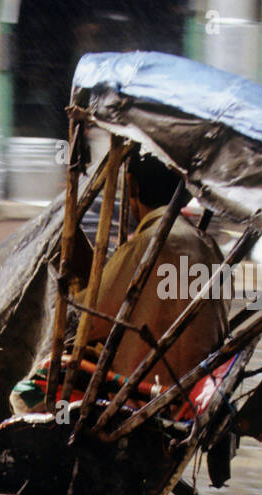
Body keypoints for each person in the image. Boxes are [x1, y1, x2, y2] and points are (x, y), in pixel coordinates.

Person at [84, 151, 228, 389]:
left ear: (133, 187)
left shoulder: (145, 247)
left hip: (139, 393)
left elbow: (88, 323)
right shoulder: (210, 247)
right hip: (195, 389)